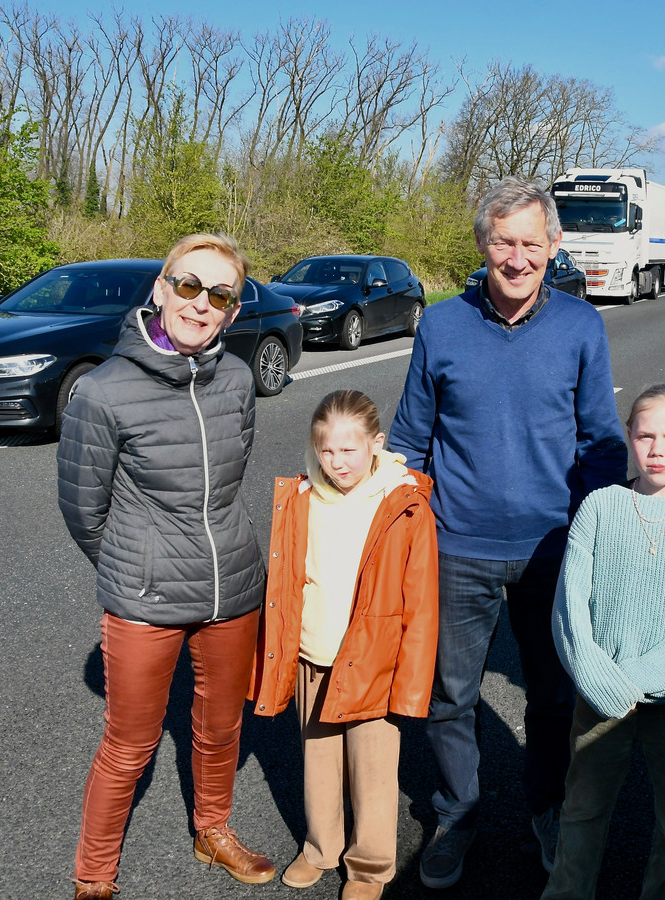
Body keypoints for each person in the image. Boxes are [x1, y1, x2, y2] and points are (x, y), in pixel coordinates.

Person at [389, 176, 628, 889]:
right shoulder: (441, 325)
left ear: (554, 245)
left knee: (552, 699)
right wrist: (385, 528)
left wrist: (595, 533)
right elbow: (410, 440)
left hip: (553, 549)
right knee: (450, 699)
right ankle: (457, 816)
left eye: (530, 243)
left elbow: (602, 442)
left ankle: (546, 808)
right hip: (456, 546)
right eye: (503, 242)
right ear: (481, 245)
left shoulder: (581, 326)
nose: (517, 258)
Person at [57, 234, 272, 900]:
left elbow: (231, 477)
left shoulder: (237, 379)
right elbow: (83, 509)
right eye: (188, 285)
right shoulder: (102, 391)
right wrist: (137, 566)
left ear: (232, 310)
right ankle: (95, 874)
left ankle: (213, 831)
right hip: (145, 597)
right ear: (160, 288)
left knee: (220, 728)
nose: (200, 304)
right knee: (129, 746)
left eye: (220, 294)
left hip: (233, 586)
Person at [542, 384, 665, 900]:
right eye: (645, 435)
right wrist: (600, 679)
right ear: (629, 436)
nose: (657, 449)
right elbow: (569, 607)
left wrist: (637, 680)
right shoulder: (600, 507)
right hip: (599, 695)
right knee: (581, 810)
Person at [248, 389, 439, 899]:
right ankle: (320, 848)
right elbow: (288, 582)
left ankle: (369, 868)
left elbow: (421, 603)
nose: (337, 463)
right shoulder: (303, 497)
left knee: (373, 771)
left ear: (376, 443)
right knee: (319, 762)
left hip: (374, 662)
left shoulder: (403, 503)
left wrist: (411, 684)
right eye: (327, 451)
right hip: (314, 656)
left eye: (349, 450)